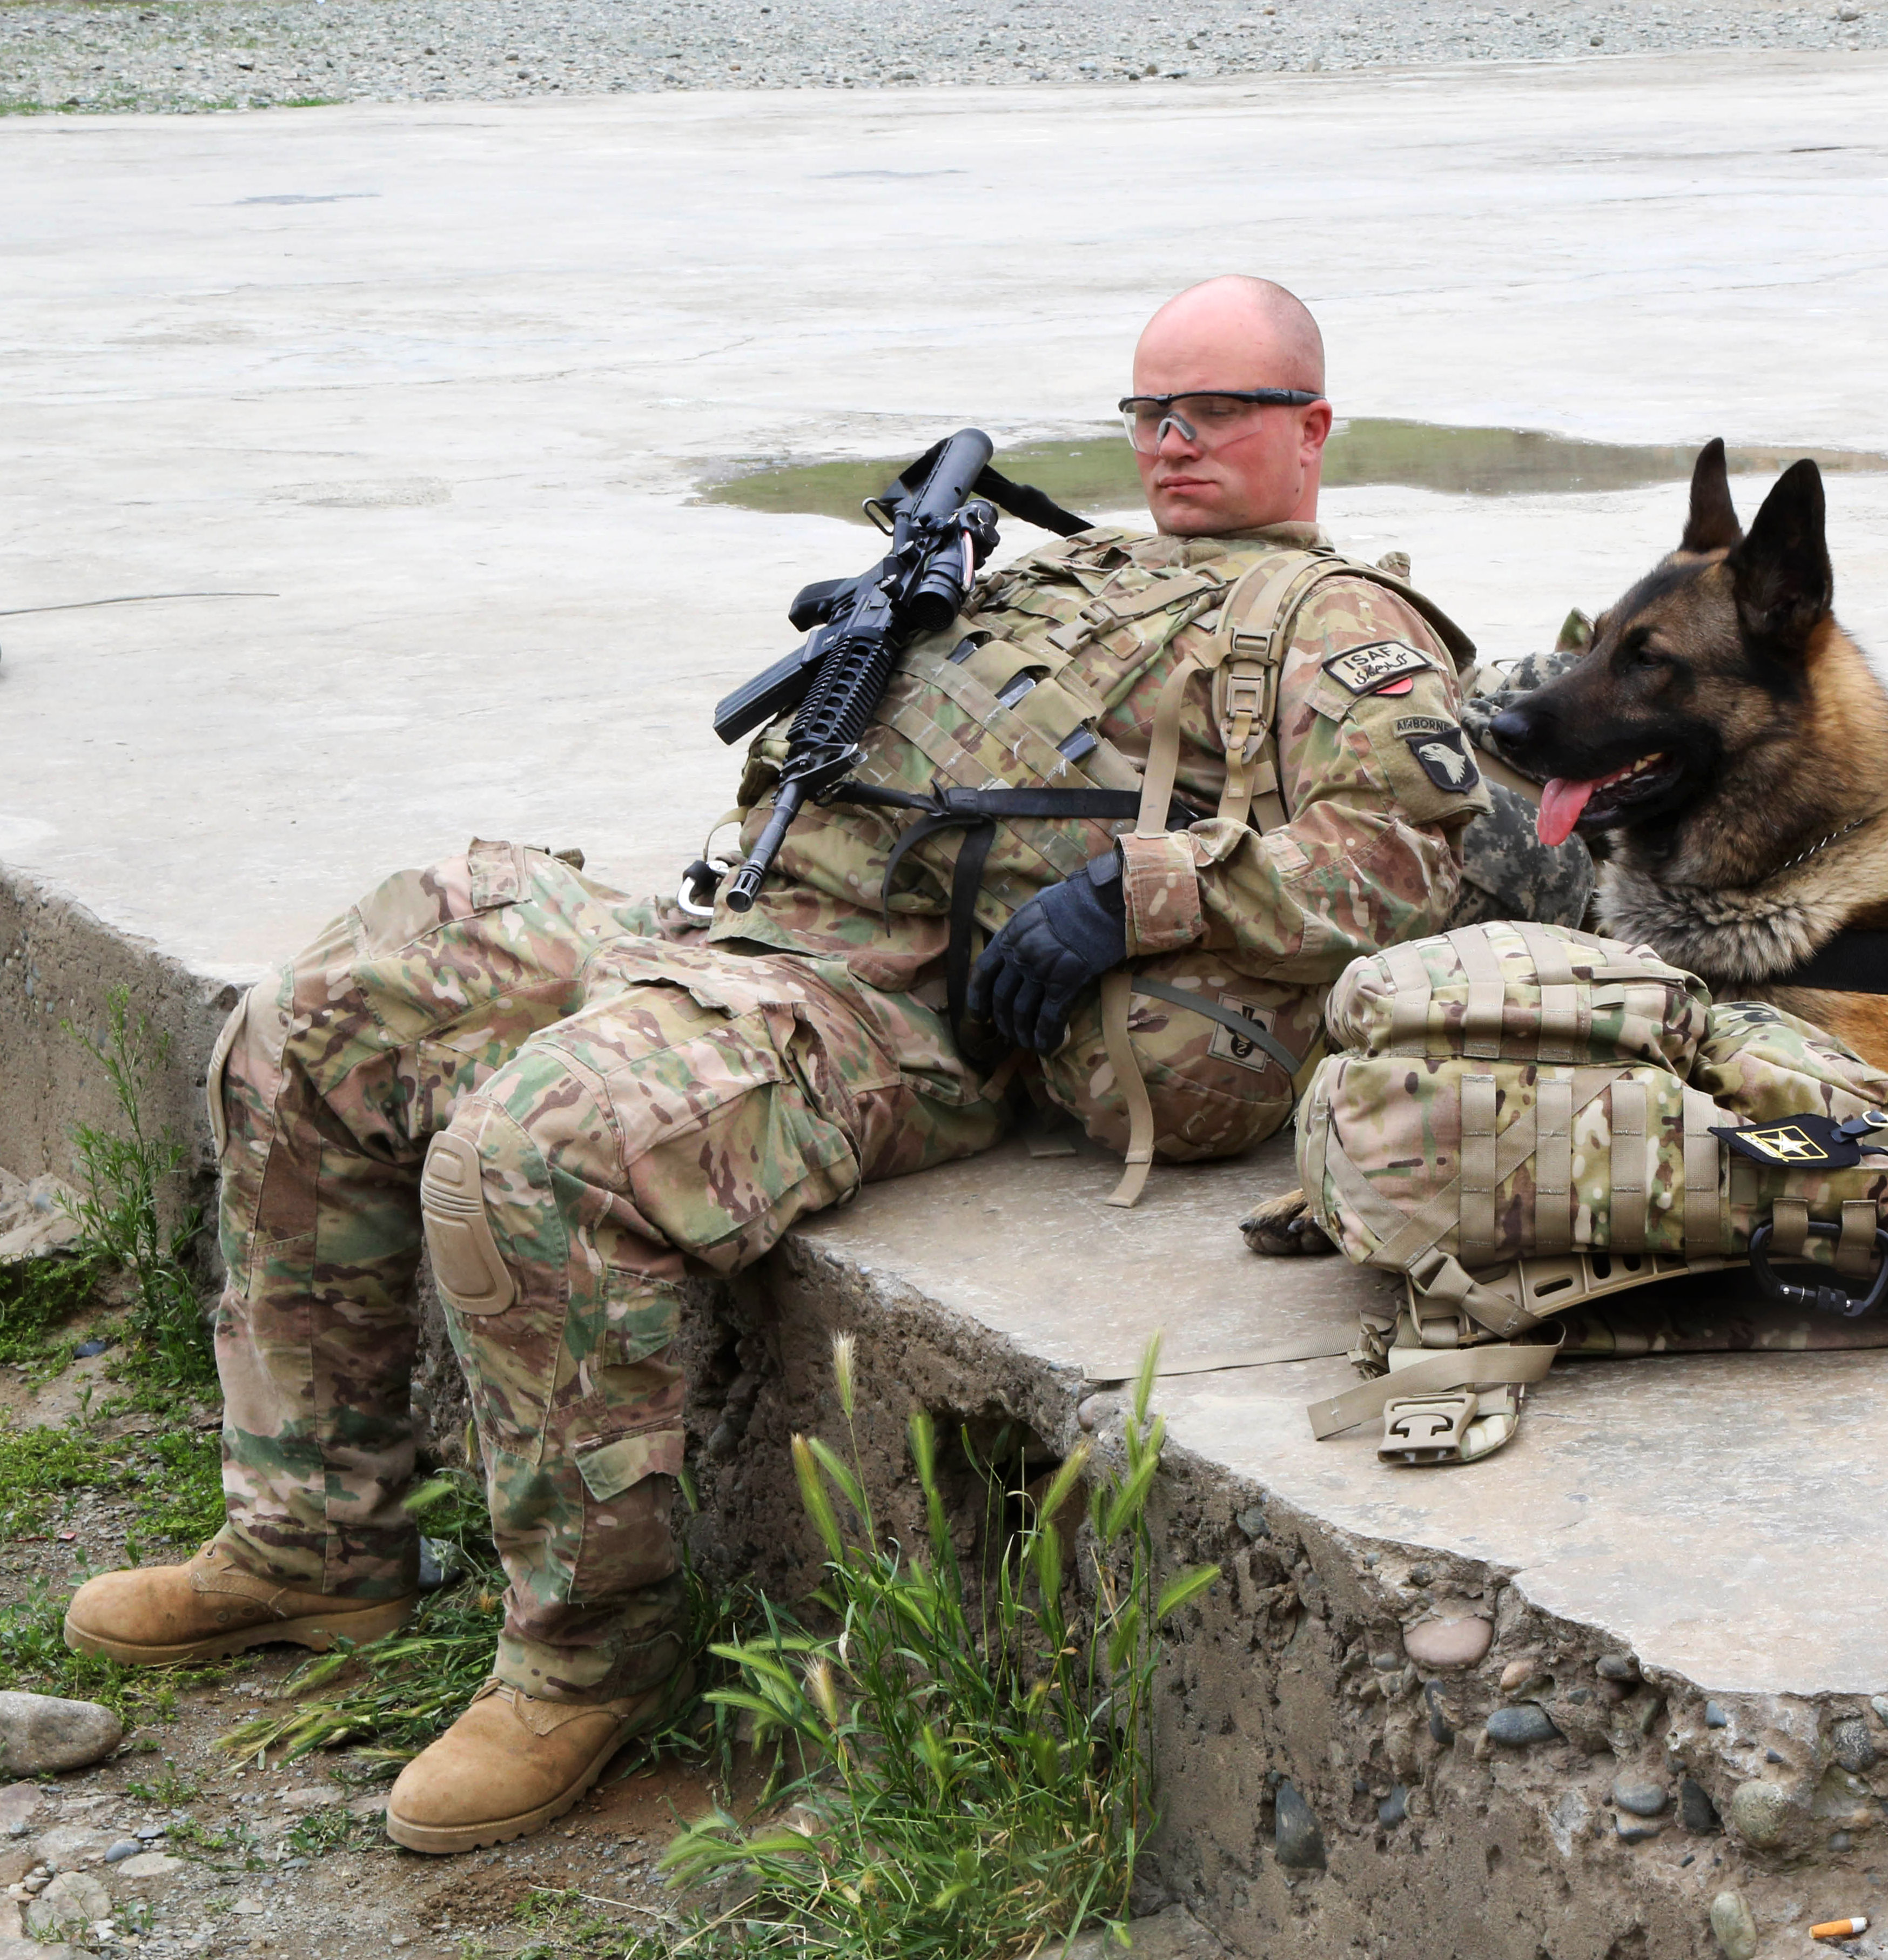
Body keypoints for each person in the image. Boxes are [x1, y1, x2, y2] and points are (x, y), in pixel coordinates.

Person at [59, 277, 1491, 1854]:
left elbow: (1408, 868)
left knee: (537, 1149)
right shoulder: (1068, 570)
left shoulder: (1329, 621)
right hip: (724, 928)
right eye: (1148, 410)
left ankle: (585, 1660)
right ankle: (313, 1539)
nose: (1171, 441)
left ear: (1310, 426)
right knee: (325, 1005)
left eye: (1212, 410)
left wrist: (1142, 894)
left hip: (891, 1011)